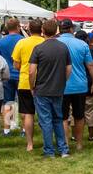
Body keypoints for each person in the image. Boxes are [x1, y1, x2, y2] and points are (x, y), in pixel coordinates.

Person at [29, 18, 71, 158]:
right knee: (58, 118)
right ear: (56, 31)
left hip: (42, 89)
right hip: (58, 88)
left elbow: (31, 70)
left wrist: (32, 86)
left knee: (45, 121)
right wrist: (62, 81)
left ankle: (49, 151)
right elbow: (69, 69)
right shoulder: (63, 47)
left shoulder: (39, 48)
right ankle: (63, 149)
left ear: (43, 31)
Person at [57, 18, 93, 152]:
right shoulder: (82, 44)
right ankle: (79, 143)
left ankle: (66, 144)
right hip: (80, 85)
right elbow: (90, 65)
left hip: (61, 85)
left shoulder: (56, 43)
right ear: (71, 29)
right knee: (79, 116)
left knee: (63, 117)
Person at [10, 18, 42, 153]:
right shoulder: (45, 42)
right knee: (44, 114)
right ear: (41, 29)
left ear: (28, 29)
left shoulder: (21, 43)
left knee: (28, 114)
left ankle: (30, 143)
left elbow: (16, 64)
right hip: (43, 82)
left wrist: (24, 68)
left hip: (24, 81)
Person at [0, 18, 23, 135]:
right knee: (24, 104)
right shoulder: (23, 40)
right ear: (18, 27)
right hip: (20, 74)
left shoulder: (1, 42)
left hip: (6, 75)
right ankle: (24, 129)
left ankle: (6, 129)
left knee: (8, 102)